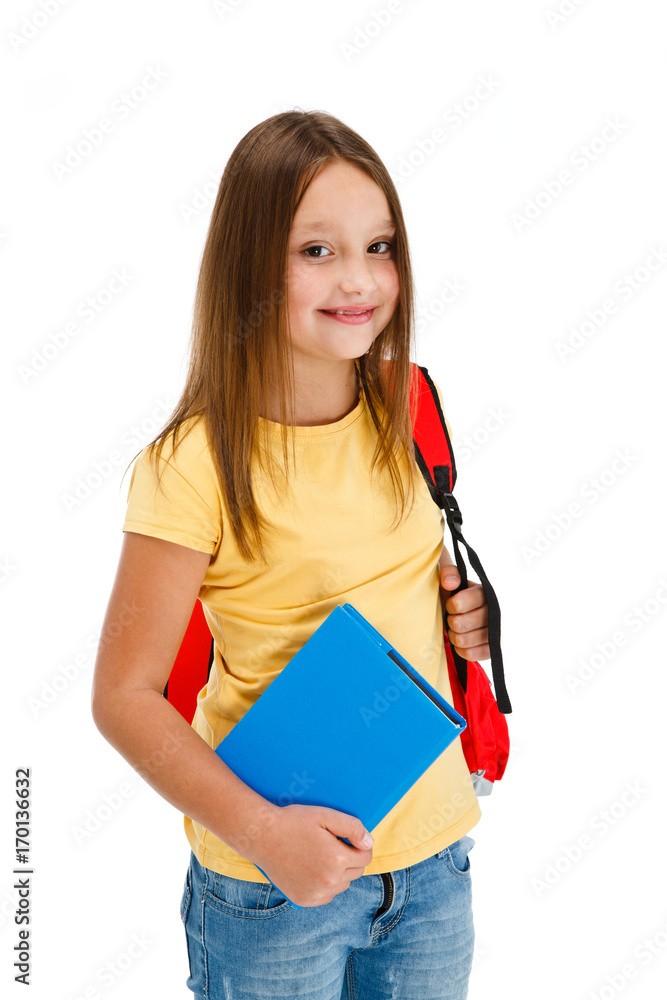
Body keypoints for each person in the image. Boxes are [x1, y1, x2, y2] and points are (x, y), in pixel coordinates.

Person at [91, 110, 492, 1000]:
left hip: (433, 863)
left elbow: (390, 577)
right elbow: (123, 696)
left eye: (379, 246)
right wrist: (266, 836)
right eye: (316, 251)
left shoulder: (406, 402)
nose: (358, 279)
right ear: (248, 267)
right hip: (270, 888)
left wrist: (462, 614)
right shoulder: (193, 465)